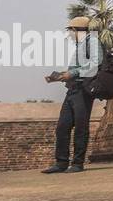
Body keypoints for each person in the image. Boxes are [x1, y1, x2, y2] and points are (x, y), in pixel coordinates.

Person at [42, 16, 101, 173]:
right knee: (62, 127)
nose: (68, 34)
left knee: (81, 126)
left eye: (70, 31)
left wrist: (72, 73)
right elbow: (77, 70)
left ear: (75, 30)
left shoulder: (92, 42)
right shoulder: (81, 45)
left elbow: (96, 65)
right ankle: (61, 163)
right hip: (73, 90)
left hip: (83, 90)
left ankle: (77, 163)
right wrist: (60, 76)